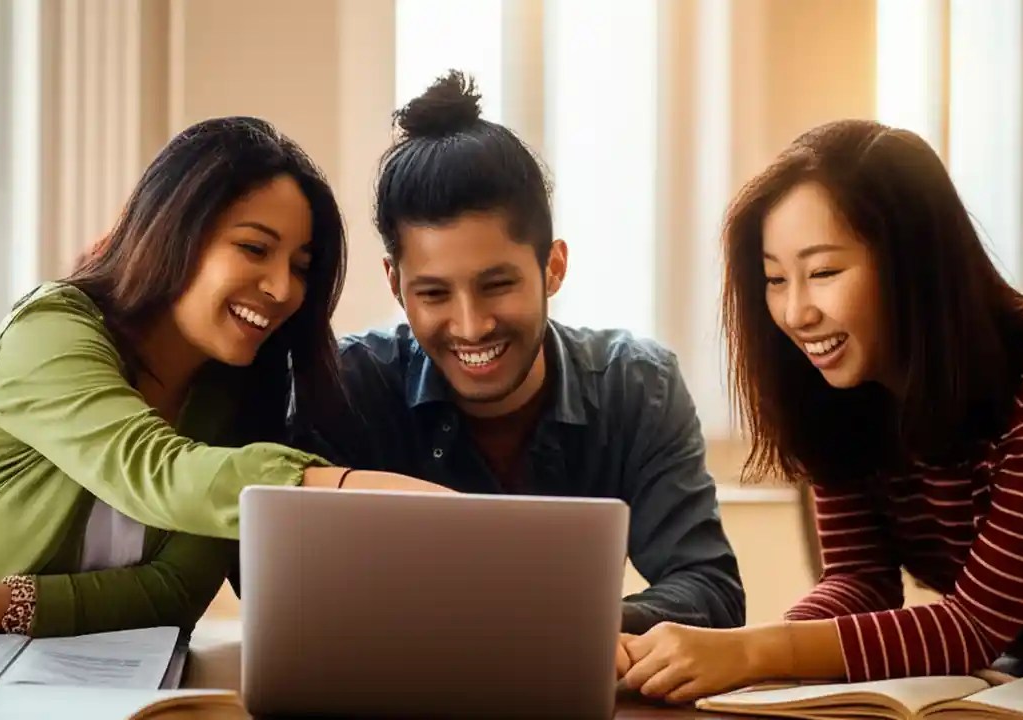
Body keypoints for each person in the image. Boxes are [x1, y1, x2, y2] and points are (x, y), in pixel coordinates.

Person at [0, 116, 446, 638]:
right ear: (177, 231)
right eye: (254, 249)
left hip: (96, 684)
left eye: (301, 267)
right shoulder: (47, 332)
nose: (283, 288)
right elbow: (154, 472)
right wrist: (337, 487)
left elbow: (170, 594)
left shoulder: (235, 392)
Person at [615, 118, 1023, 704]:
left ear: (915, 264)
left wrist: (748, 650)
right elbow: (858, 583)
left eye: (823, 272)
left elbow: (976, 624)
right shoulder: (840, 394)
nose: (796, 312)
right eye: (775, 279)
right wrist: (733, 659)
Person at [300, 71, 745, 636]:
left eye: (497, 285)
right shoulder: (346, 386)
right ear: (395, 284)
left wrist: (556, 629)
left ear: (553, 267)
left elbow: (708, 589)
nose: (470, 326)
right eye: (434, 293)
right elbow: (290, 587)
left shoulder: (638, 384)